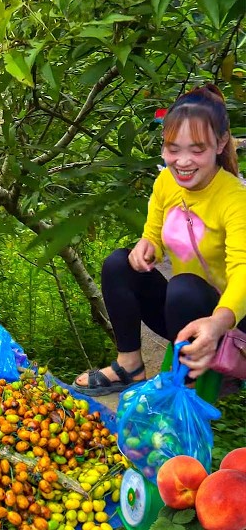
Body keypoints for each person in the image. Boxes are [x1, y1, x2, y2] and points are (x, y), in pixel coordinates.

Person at [74, 84, 246, 396]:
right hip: (183, 317)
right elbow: (153, 233)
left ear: (220, 143)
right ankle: (129, 366)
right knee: (118, 264)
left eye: (197, 150)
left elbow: (243, 273)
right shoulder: (166, 181)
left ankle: (183, 391)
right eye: (173, 149)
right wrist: (148, 246)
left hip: (228, 323)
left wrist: (218, 323)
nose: (183, 162)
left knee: (184, 288)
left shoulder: (234, 198)